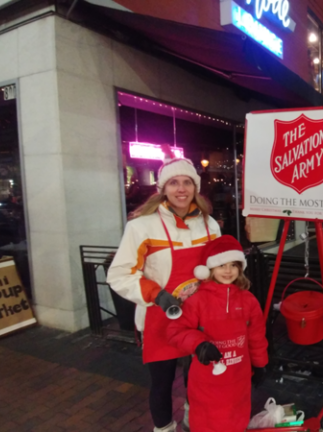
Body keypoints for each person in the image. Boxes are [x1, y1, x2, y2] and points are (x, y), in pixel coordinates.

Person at [108, 153, 221, 432]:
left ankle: (193, 421)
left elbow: (219, 267)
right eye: (173, 183)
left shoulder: (210, 224)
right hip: (160, 318)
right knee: (162, 383)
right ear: (163, 188)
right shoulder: (141, 226)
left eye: (187, 182)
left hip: (200, 317)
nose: (181, 189)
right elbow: (119, 274)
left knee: (199, 377)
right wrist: (156, 294)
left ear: (195, 187)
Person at [168, 235, 268, 432]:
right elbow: (175, 331)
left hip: (238, 378)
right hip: (206, 381)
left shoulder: (248, 300)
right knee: (206, 422)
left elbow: (256, 337)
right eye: (222, 265)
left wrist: (260, 364)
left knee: (236, 420)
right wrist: (199, 344)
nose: (228, 271)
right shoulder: (197, 301)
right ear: (210, 269)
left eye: (233, 265)